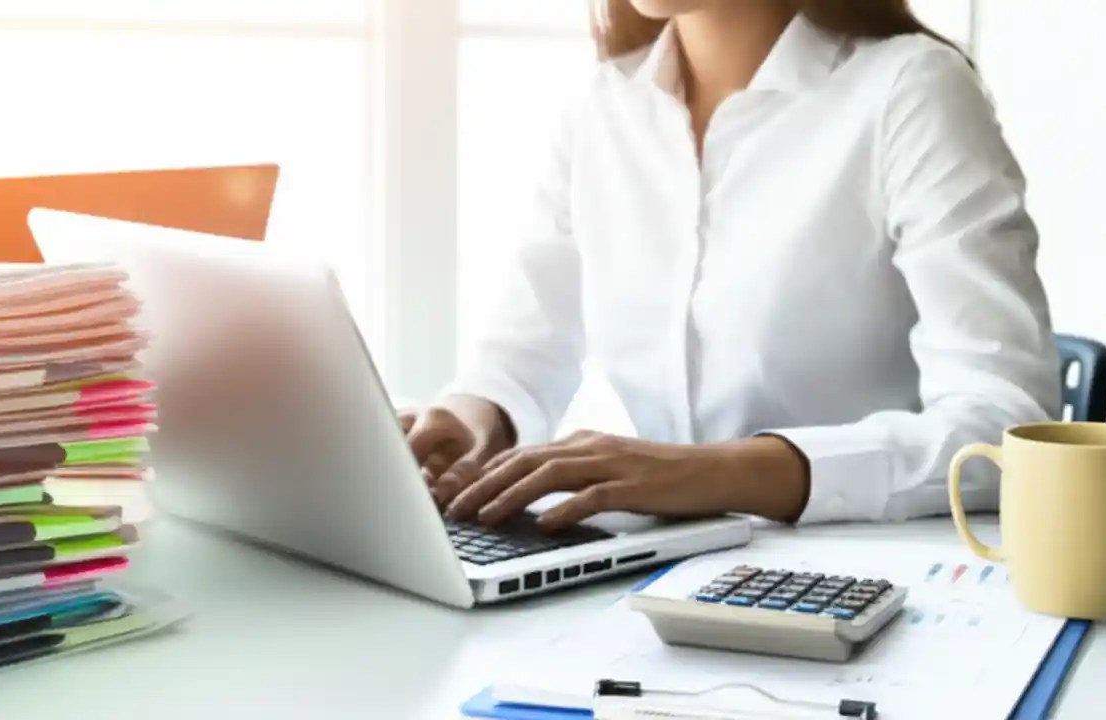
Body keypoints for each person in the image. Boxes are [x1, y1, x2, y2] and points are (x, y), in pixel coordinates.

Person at [401, 0, 1060, 533]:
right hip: (661, 576)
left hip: (869, 577)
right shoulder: (603, 106)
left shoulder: (911, 90)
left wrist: (714, 474)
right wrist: (470, 422)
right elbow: (527, 348)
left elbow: (1005, 427)